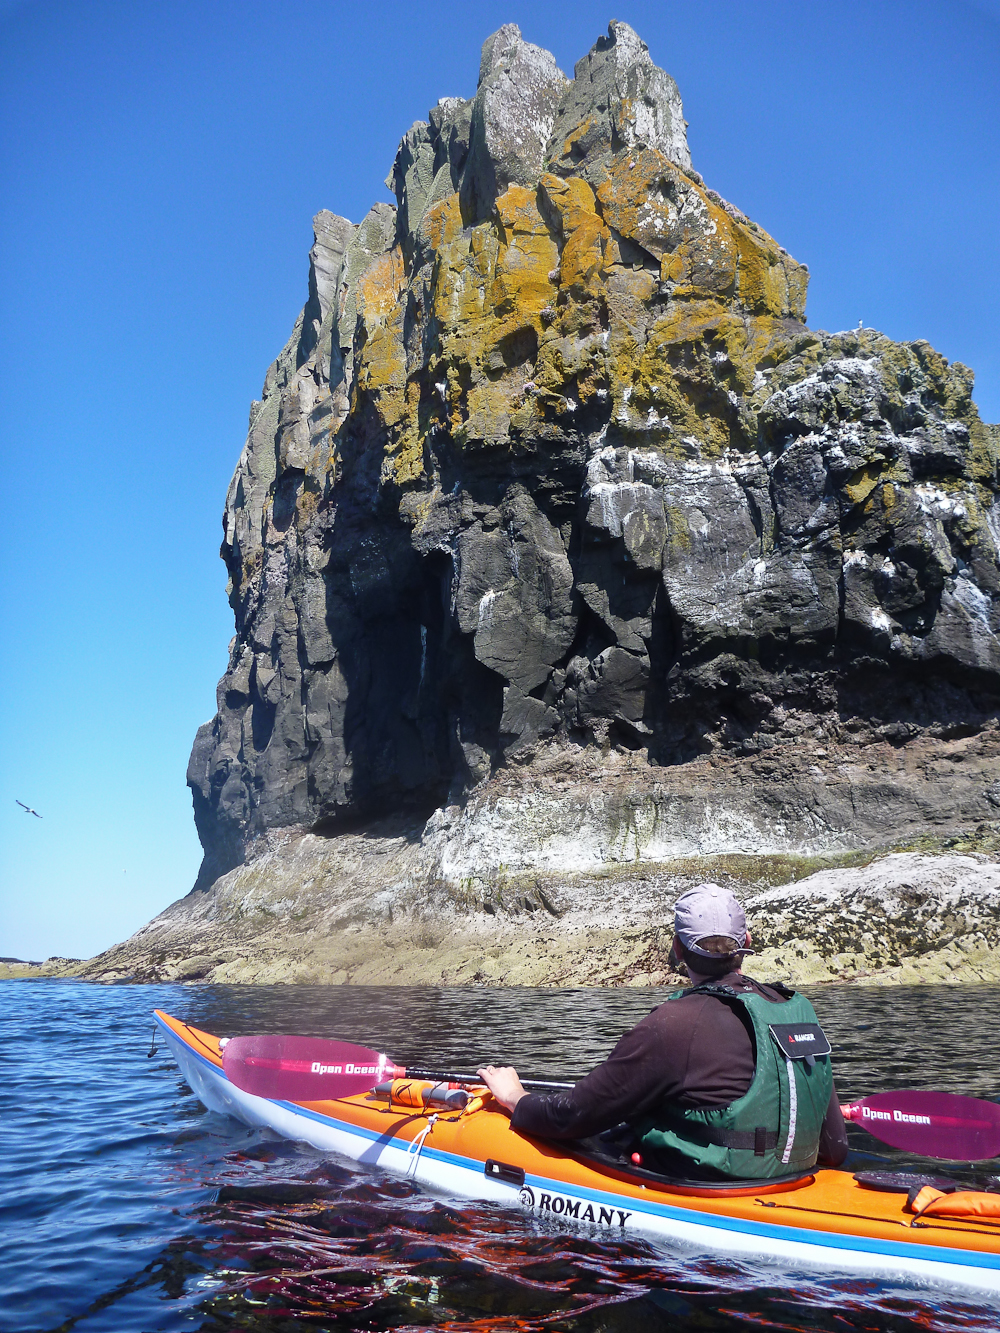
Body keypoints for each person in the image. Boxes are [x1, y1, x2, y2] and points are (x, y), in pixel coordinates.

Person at [478, 883, 848, 1181]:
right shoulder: (797, 1010)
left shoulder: (674, 1025)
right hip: (795, 1180)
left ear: (677, 949)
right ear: (747, 942)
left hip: (718, 1195)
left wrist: (516, 1097)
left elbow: (570, 1116)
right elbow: (834, 1149)